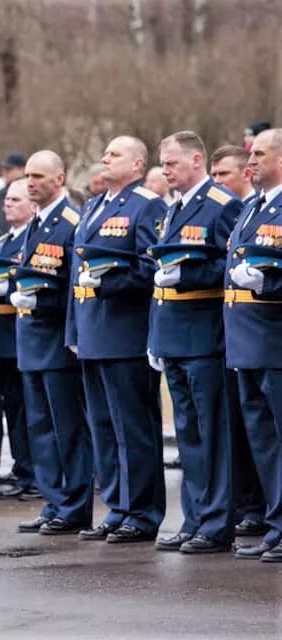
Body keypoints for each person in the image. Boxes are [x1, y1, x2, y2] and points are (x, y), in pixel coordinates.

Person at [67, 136, 167, 543]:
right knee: (104, 428)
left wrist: (111, 281)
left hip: (125, 333)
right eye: (104, 153)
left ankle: (142, 512)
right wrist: (73, 330)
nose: (104, 159)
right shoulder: (94, 206)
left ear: (138, 165)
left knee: (133, 428)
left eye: (115, 155)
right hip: (93, 331)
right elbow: (78, 276)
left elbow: (151, 268)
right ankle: (117, 507)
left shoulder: (146, 205)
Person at [149, 131, 240, 553]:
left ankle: (218, 520)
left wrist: (185, 277)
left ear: (197, 161)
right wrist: (155, 337)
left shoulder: (222, 205)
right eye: (163, 164)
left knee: (212, 433)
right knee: (187, 434)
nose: (165, 170)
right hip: (173, 336)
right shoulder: (173, 210)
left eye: (172, 163)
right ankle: (194, 516)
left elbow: (228, 267)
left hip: (205, 337)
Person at [7, 155, 92, 535]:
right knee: (40, 428)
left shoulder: (71, 224)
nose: (30, 183)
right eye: (27, 176)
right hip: (31, 341)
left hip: (56, 341)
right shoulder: (36, 223)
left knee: (67, 430)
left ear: (60, 177)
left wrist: (39, 302)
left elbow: (74, 290)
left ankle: (74, 505)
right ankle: (53, 500)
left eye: (38, 176)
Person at [224, 127, 282, 562]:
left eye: (260, 153)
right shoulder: (250, 208)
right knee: (263, 440)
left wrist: (269, 280)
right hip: (246, 340)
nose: (251, 161)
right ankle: (277, 525)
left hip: (275, 339)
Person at [210, 144, 268, 537]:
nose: (218, 184)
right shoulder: (249, 210)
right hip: (238, 335)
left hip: (262, 335)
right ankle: (253, 508)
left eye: (224, 175)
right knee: (250, 433)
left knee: (264, 435)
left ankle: (263, 511)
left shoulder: (249, 208)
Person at [0, 178, 35, 500]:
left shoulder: (29, 239)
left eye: (16, 200)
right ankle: (23, 469)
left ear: (32, 205)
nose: (7, 204)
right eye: (7, 200)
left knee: (27, 411)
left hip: (19, 336)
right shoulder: (2, 241)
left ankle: (34, 474)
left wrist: (9, 289)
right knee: (14, 411)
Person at [0, 151, 26, 229]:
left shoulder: (32, 194)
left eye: (8, 169)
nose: (4, 173)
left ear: (22, 169)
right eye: (3, 169)